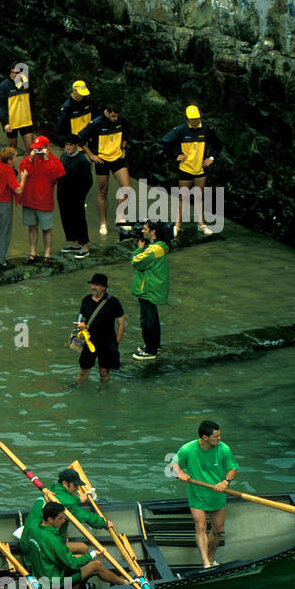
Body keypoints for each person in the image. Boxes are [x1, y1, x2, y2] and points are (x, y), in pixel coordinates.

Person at [172, 421, 239, 568]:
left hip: (217, 494)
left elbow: (232, 468)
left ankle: (211, 557)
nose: (220, 438)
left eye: (220, 435)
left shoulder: (224, 449)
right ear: (204, 438)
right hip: (197, 494)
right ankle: (206, 564)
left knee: (218, 530)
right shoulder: (187, 449)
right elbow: (173, 464)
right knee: (201, 527)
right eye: (216, 436)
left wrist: (225, 482)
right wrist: (180, 473)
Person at [20, 502, 126, 589]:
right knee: (96, 565)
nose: (64, 520)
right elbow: (72, 564)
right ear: (49, 519)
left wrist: (47, 497)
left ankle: (77, 588)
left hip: (39, 572)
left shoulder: (34, 525)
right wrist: (94, 553)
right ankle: (125, 583)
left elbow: (37, 507)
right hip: (53, 582)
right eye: (60, 518)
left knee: (80, 557)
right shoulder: (54, 541)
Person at [158, 105, 223, 236]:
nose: (195, 121)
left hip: (200, 168)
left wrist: (211, 157)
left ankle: (201, 224)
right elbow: (163, 143)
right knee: (183, 197)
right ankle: (177, 225)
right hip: (186, 168)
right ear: (187, 119)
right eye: (192, 119)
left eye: (197, 118)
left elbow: (218, 145)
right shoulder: (180, 130)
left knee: (199, 197)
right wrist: (175, 156)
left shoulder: (206, 129)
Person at [77, 104, 132, 237]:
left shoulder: (121, 120)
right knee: (103, 191)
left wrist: (123, 149)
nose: (115, 118)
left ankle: (120, 217)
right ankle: (103, 223)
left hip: (117, 158)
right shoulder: (96, 123)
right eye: (113, 115)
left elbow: (126, 134)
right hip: (102, 160)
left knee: (126, 188)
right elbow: (80, 138)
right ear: (106, 112)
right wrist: (91, 155)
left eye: (117, 116)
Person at [18, 135, 64, 263]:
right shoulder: (30, 160)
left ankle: (47, 254)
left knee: (46, 229)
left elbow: (55, 177)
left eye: (39, 149)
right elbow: (23, 171)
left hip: (44, 201)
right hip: (29, 200)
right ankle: (32, 253)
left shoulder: (54, 161)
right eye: (35, 148)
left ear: (46, 148)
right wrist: (30, 159)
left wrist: (47, 160)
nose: (37, 151)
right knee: (31, 227)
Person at [74, 273, 126, 385]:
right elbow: (80, 318)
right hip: (89, 341)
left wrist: (116, 342)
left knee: (104, 372)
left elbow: (121, 324)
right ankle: (79, 387)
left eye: (96, 285)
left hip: (107, 342)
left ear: (104, 287)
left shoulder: (114, 302)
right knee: (83, 369)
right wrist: (80, 325)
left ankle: (103, 391)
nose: (92, 287)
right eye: (92, 284)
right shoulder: (86, 300)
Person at [129, 220, 169, 361]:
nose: (142, 231)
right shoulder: (157, 247)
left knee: (147, 320)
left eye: (145, 229)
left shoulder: (153, 250)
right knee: (152, 318)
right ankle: (154, 345)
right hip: (152, 287)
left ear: (153, 232)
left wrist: (139, 249)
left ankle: (150, 350)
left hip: (148, 289)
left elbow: (136, 261)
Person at [57, 134, 94, 258]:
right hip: (63, 193)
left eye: (70, 145)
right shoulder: (63, 157)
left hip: (76, 195)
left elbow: (88, 181)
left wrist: (81, 195)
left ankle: (84, 246)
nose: (67, 147)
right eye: (66, 145)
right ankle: (75, 243)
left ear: (76, 146)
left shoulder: (82, 160)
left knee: (79, 219)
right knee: (67, 218)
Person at [0, 64, 35, 154]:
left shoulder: (28, 84)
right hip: (11, 123)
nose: (14, 75)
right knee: (12, 150)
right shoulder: (4, 86)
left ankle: (25, 167)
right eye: (12, 72)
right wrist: (5, 123)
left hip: (26, 121)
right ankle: (10, 167)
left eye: (17, 73)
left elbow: (32, 101)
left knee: (31, 148)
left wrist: (32, 117)